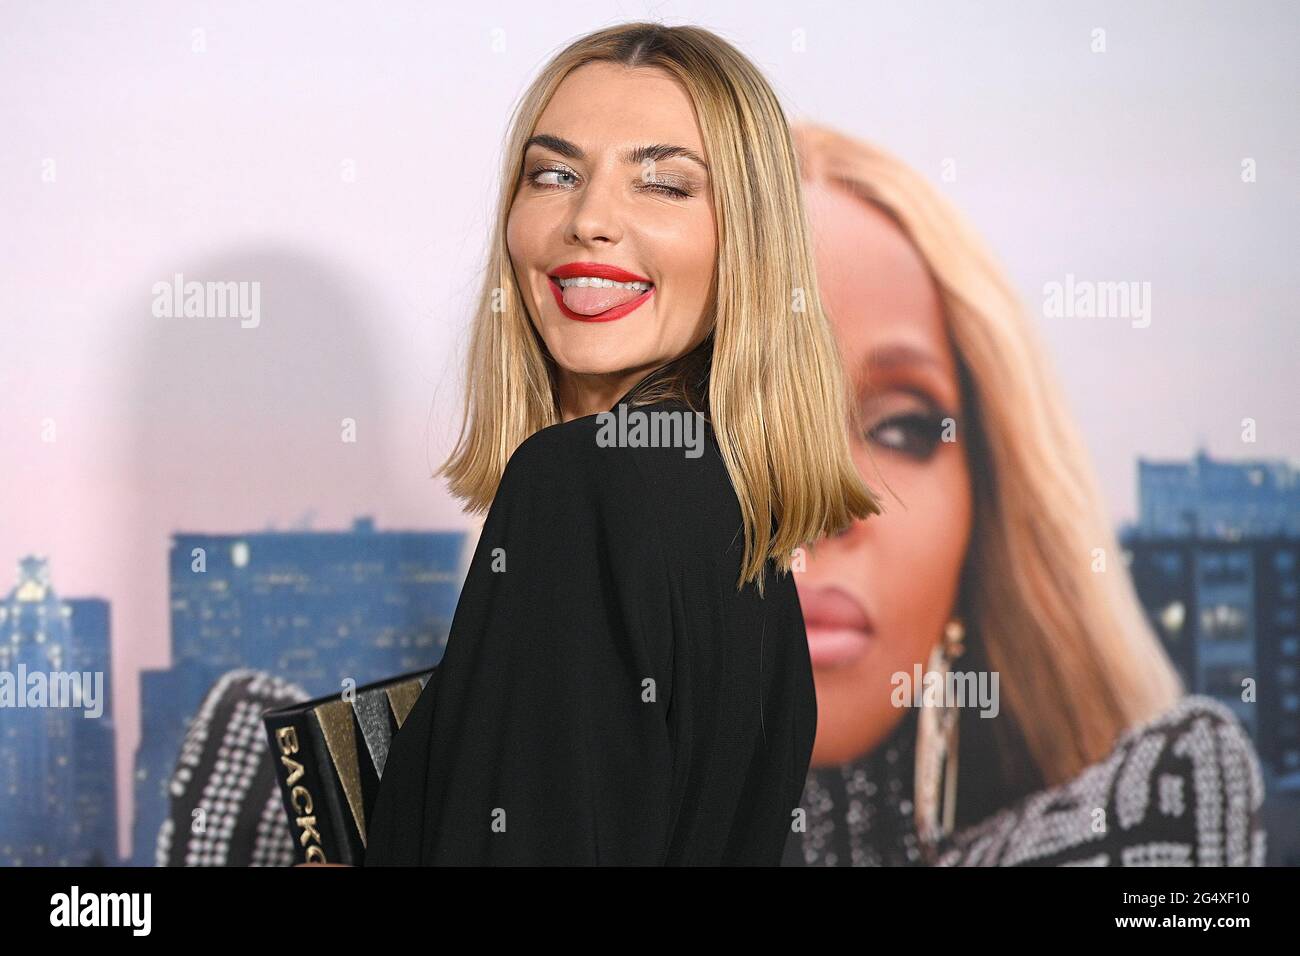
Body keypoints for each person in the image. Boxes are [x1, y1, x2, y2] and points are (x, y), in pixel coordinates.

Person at [362, 25, 880, 866]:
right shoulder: (734, 514)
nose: (589, 220)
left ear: (747, 239)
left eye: (665, 186)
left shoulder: (580, 487)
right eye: (555, 174)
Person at [780, 123, 1266, 866]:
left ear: (989, 499)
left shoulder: (1147, 847)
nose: (823, 502)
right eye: (730, 420)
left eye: (904, 429)